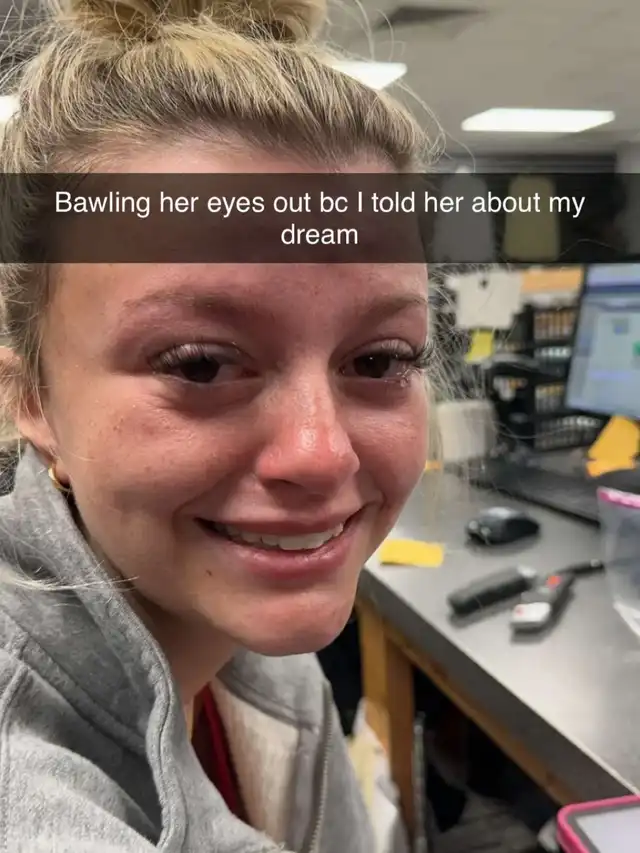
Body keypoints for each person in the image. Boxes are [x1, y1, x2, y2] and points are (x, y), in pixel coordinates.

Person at [0, 0, 433, 848]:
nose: (320, 453)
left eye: (380, 360)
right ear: (34, 401)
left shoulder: (236, 627)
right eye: (200, 363)